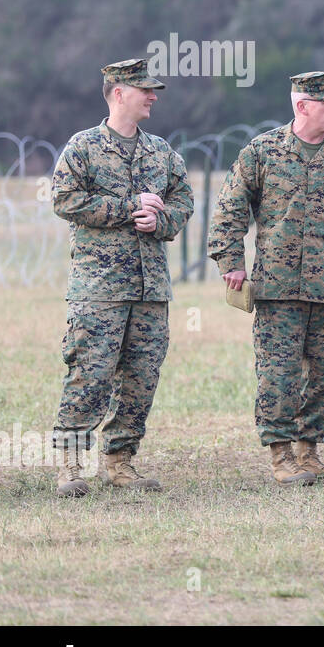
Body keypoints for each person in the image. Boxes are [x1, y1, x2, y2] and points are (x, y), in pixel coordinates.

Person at [208, 70, 324, 485]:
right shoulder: (262, 152)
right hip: (278, 288)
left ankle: (309, 451)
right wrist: (230, 261)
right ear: (303, 106)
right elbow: (229, 211)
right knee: (279, 373)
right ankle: (281, 454)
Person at [50, 58, 193, 496]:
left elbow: (183, 202)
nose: (153, 97)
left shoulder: (161, 152)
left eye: (154, 91)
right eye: (145, 90)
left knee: (141, 375)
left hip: (150, 289)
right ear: (118, 94)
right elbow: (64, 199)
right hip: (99, 290)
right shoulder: (84, 147)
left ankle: (120, 460)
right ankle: (70, 463)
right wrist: (128, 208)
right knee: (89, 373)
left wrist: (161, 220)